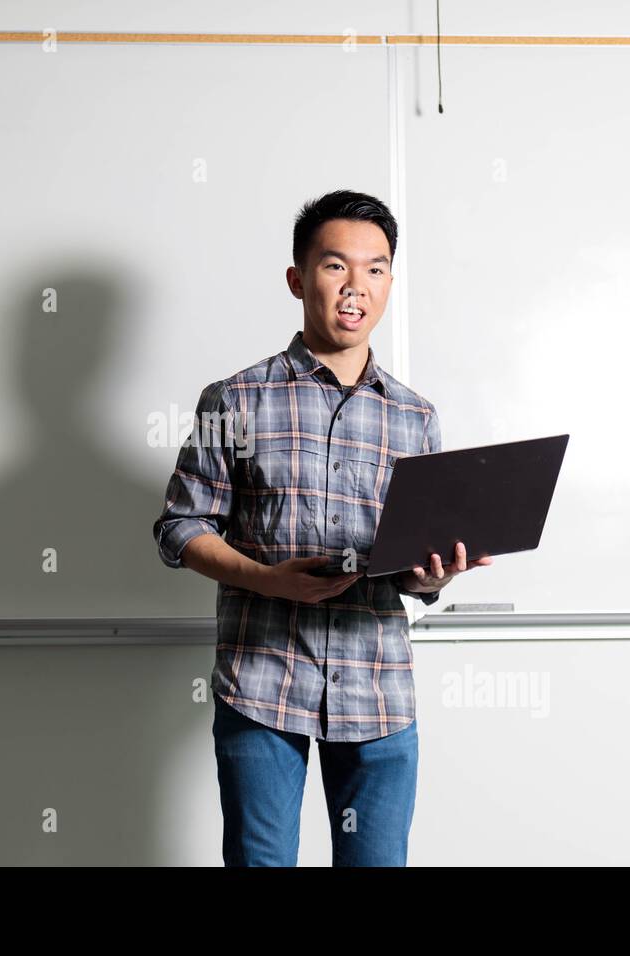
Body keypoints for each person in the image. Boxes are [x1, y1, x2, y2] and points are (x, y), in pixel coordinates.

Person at [152, 189, 492, 866]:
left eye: (375, 268)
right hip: (261, 683)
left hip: (377, 690)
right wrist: (266, 580)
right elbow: (179, 526)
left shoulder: (415, 417)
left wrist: (435, 575)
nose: (355, 286)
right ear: (298, 279)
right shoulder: (235, 398)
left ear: (390, 282)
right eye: (336, 266)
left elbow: (416, 569)